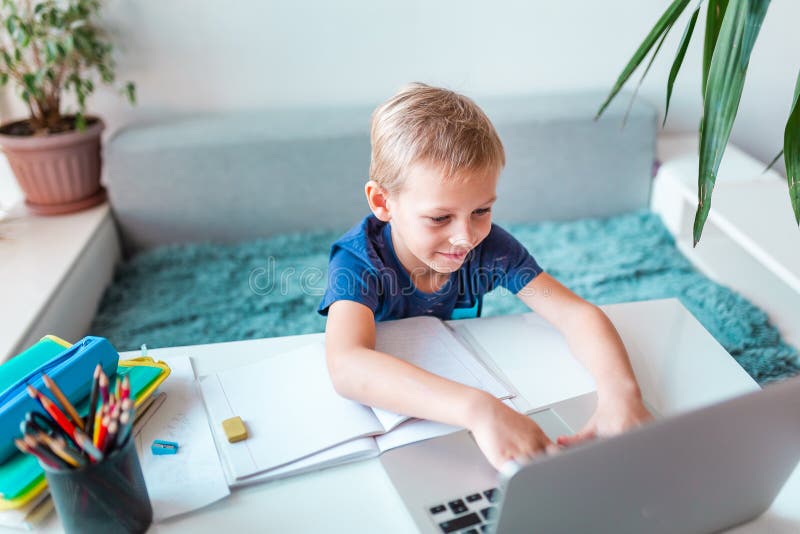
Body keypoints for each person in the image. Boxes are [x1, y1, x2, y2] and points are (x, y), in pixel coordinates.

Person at [318, 82, 651, 471]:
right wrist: (479, 408)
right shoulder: (358, 261)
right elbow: (347, 365)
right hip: (406, 429)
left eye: (481, 210)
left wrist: (621, 394)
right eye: (440, 218)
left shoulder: (490, 249)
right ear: (382, 202)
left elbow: (575, 314)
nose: (465, 238)